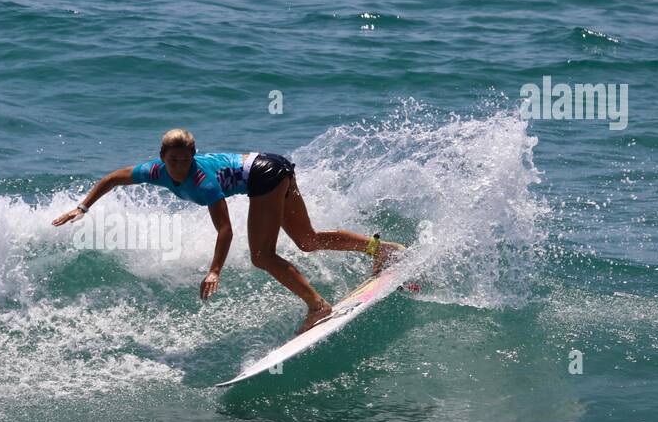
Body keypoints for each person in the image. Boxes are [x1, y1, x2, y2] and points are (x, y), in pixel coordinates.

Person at [52, 128, 402, 334]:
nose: (178, 166)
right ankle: (380, 249)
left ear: (193, 156)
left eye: (185, 159)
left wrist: (214, 269)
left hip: (265, 174)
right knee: (307, 241)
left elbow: (224, 230)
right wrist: (82, 207)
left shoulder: (202, 182)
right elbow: (114, 178)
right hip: (272, 164)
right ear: (161, 157)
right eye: (172, 160)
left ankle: (318, 306)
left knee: (262, 256)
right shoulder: (153, 170)